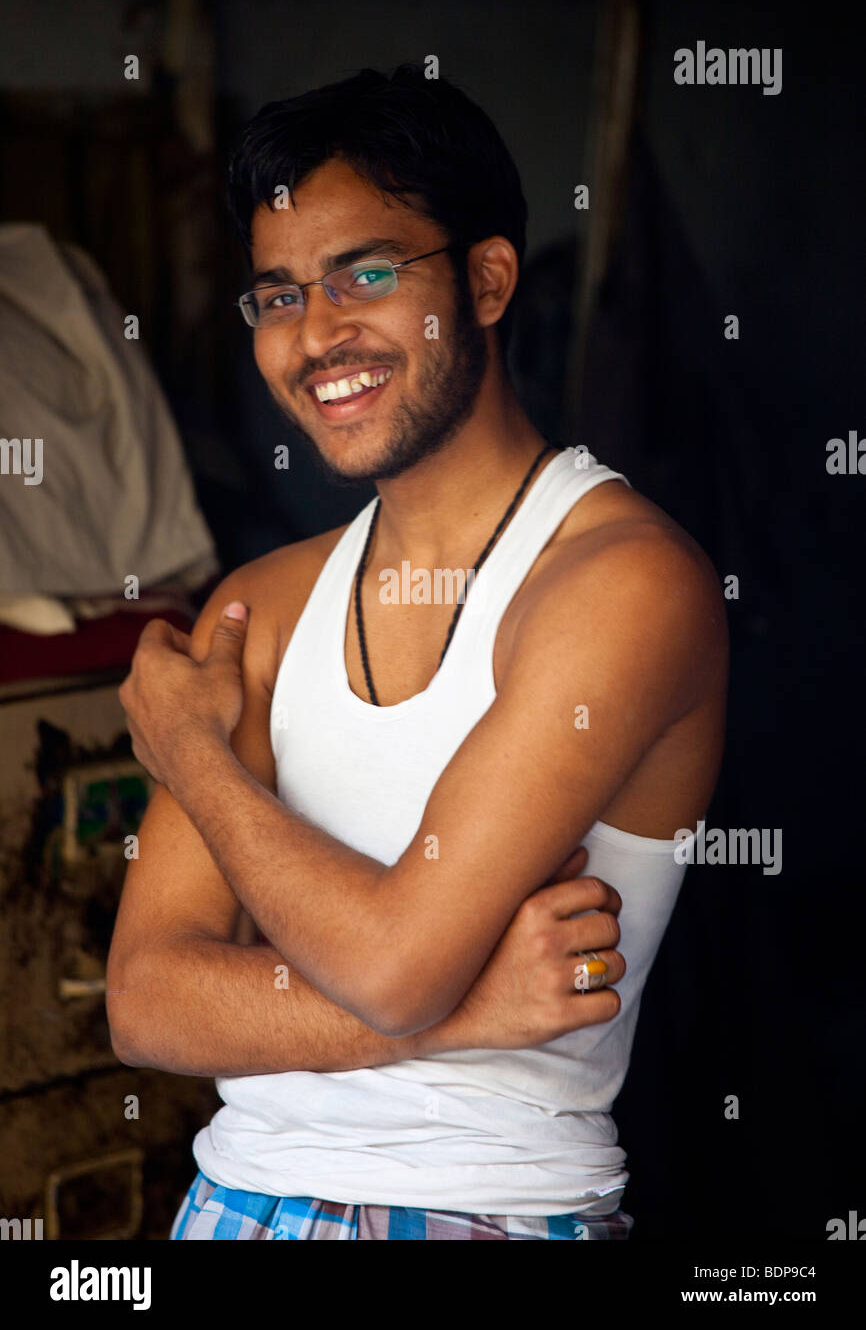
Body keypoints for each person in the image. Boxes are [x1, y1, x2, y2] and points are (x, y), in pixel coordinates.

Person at [107, 64, 728, 1241]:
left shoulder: (621, 585)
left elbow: (396, 965)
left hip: (480, 1214)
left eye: (368, 275)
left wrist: (195, 758)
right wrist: (463, 1011)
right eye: (278, 296)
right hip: (228, 1206)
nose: (318, 335)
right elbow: (144, 1004)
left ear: (486, 280)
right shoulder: (263, 606)